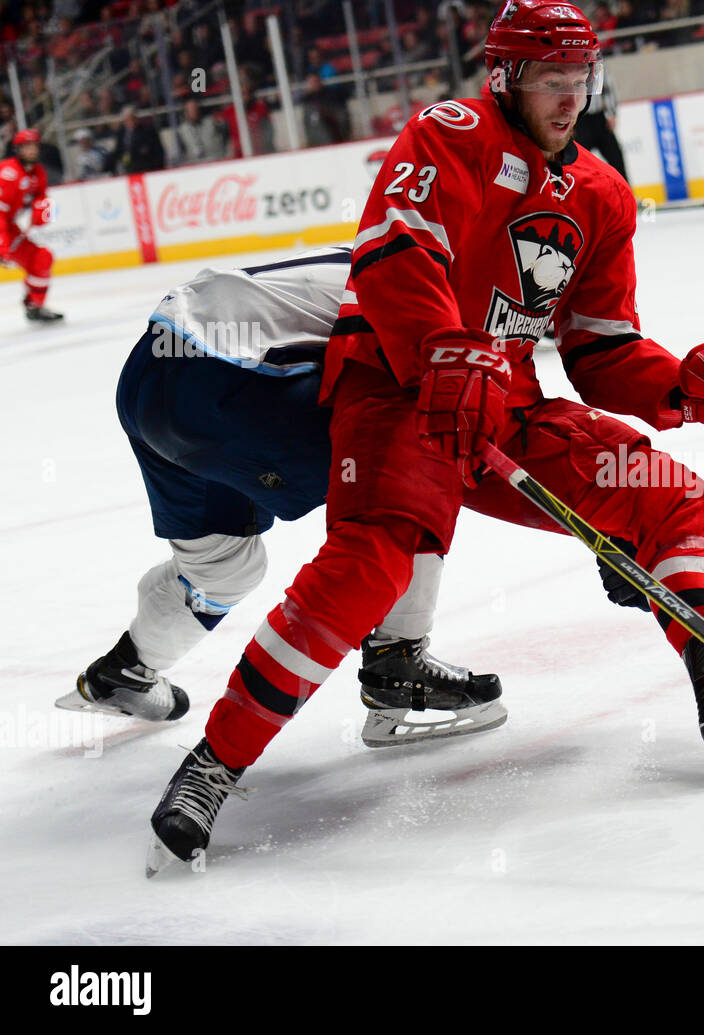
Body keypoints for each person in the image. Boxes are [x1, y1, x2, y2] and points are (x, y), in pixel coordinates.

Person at [145, 0, 704, 876]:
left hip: (509, 405)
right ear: (505, 78)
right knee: (374, 559)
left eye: (579, 81)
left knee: (671, 495)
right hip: (400, 387)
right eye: (549, 81)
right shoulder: (450, 135)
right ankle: (212, 767)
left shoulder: (600, 191)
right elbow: (394, 250)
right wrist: (440, 351)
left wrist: (693, 393)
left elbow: (602, 348)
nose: (568, 100)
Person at [66, 246, 504, 748]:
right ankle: (396, 666)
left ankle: (126, 671)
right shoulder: (428, 292)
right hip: (226, 381)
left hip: (150, 374)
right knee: (412, 464)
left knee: (222, 567)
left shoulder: (389, 251)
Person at [0, 128, 62, 322]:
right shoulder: (8, 173)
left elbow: (41, 197)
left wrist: (40, 210)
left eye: (34, 146)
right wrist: (2, 244)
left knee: (42, 257)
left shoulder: (38, 173)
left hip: (8, 227)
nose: (32, 151)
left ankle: (35, 305)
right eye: (27, 147)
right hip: (3, 228)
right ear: (18, 149)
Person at [573, 61, 626, 180]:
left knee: (616, 159)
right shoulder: (570, 63)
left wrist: (611, 113)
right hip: (580, 121)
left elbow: (607, 86)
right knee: (578, 164)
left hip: (600, 118)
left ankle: (625, 196)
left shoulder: (596, 61)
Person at [112, 106, 166, 175]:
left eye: (132, 119)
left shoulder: (148, 131)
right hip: (127, 167)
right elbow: (118, 151)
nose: (130, 122)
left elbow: (156, 151)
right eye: (127, 120)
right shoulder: (121, 134)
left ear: (136, 119)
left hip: (145, 167)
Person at [175, 98, 224, 164]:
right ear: (185, 113)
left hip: (218, 161)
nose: (194, 112)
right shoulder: (181, 130)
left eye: (195, 109)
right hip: (195, 166)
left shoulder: (212, 122)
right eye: (190, 110)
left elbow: (227, 138)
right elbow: (176, 153)